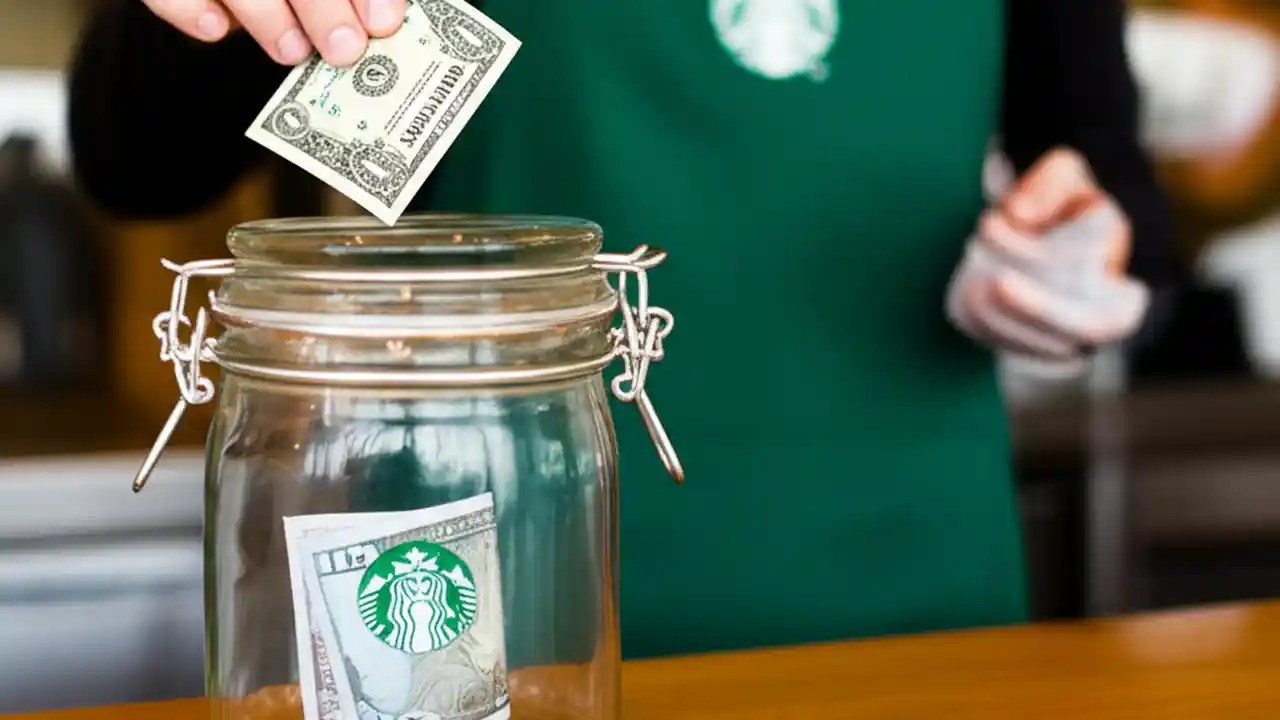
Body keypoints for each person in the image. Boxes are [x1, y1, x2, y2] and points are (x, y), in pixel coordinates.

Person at [68, 0, 1172, 657]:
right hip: (466, 598)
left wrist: (1078, 251)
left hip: (921, 595)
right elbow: (134, 155)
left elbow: (1104, 169)